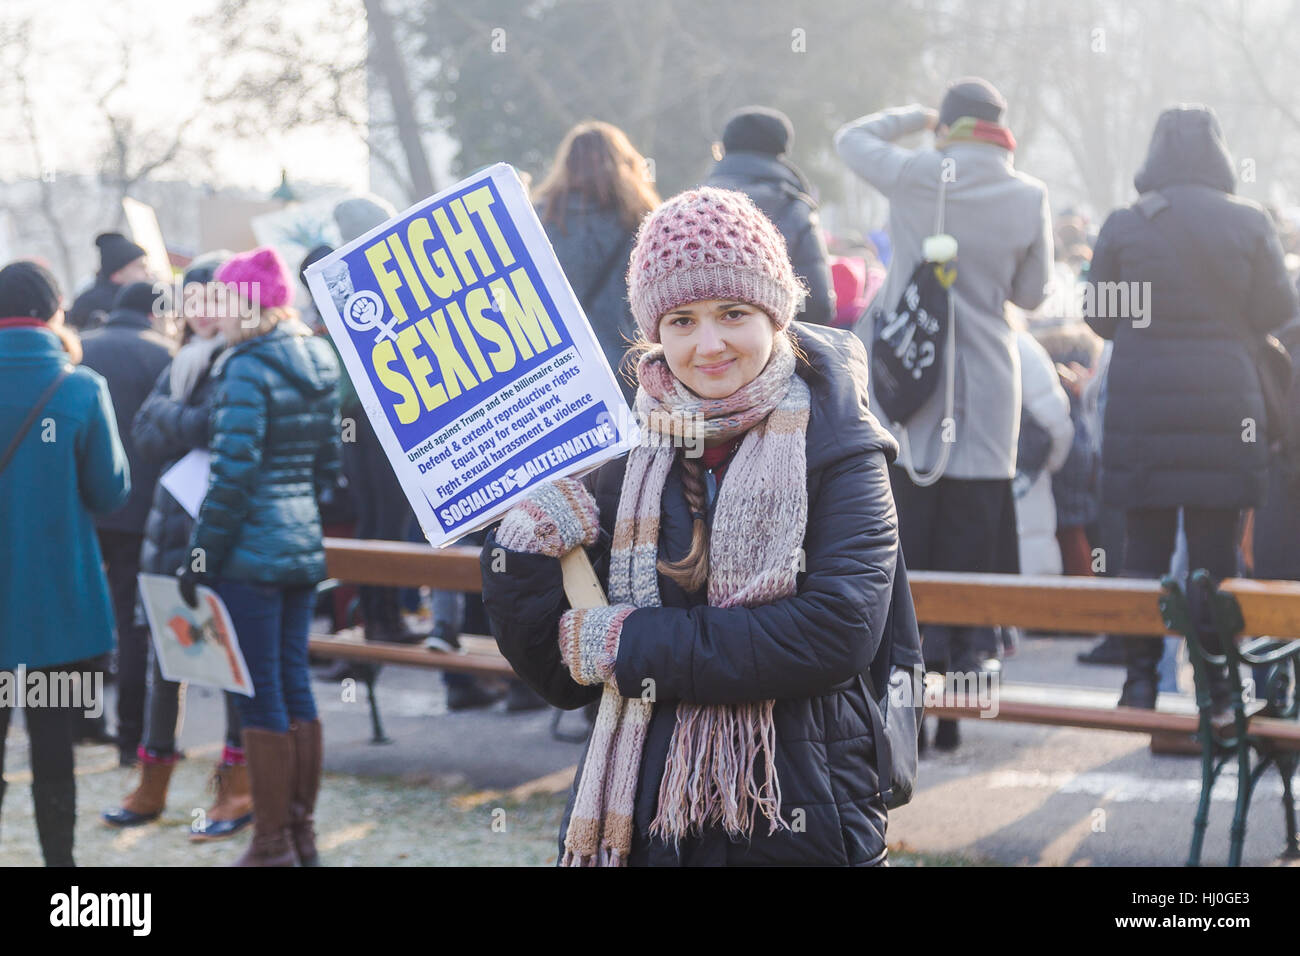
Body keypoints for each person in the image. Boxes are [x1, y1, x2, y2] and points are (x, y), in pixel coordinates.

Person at [482, 187, 912, 866]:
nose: (708, 345)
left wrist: (627, 646)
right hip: (645, 823)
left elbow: (836, 631)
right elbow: (564, 677)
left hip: (801, 817)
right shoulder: (620, 453)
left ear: (775, 313)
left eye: (732, 313)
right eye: (681, 320)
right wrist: (522, 550)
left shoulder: (842, 446)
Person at [834, 78, 1054, 749]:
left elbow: (850, 139)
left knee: (906, 553)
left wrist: (913, 116)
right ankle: (958, 705)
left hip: (908, 387)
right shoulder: (1028, 195)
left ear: (948, 127)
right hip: (988, 393)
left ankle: (904, 705)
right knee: (973, 553)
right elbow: (1034, 291)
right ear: (999, 128)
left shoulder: (914, 173)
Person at [1087, 105, 1299, 710]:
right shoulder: (1249, 222)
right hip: (1227, 410)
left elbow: (1101, 318)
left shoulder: (1126, 224)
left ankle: (1139, 683)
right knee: (1214, 557)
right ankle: (1216, 688)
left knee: (1144, 553)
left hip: (1142, 410)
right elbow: (1275, 313)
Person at [181, 247, 341, 865]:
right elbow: (329, 466)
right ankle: (300, 834)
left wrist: (199, 557)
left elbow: (232, 476)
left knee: (261, 693)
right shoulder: (317, 357)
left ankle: (270, 841)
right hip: (301, 547)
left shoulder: (244, 366)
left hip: (249, 553)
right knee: (295, 685)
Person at [101, 256, 253, 843]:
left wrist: (178, 419)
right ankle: (152, 779)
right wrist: (184, 419)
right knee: (170, 660)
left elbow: (218, 430)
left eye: (211, 299)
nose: (200, 311)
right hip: (169, 531)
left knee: (230, 663)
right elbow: (144, 431)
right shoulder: (181, 361)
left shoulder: (244, 362)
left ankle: (235, 786)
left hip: (224, 534)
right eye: (191, 300)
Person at [0, 261, 131, 865]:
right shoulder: (80, 388)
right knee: (54, 744)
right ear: (56, 311)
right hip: (56, 601)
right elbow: (110, 493)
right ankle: (62, 874)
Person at [80, 280, 176, 765]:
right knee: (134, 620)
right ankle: (130, 737)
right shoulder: (165, 355)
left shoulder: (83, 348)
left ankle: (83, 717)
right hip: (143, 512)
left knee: (87, 607)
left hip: (87, 507)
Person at [533, 120, 660, 399]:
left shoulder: (538, 220)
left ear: (565, 165)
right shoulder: (642, 218)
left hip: (562, 369)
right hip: (629, 364)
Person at [705, 106, 835, 327]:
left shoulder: (692, 205)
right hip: (777, 347)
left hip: (700, 348)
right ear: (781, 149)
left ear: (725, 146)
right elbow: (817, 305)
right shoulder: (794, 208)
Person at [67, 232, 151, 332]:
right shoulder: (88, 304)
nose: (148, 274)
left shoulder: (145, 299)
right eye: (141, 267)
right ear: (117, 272)